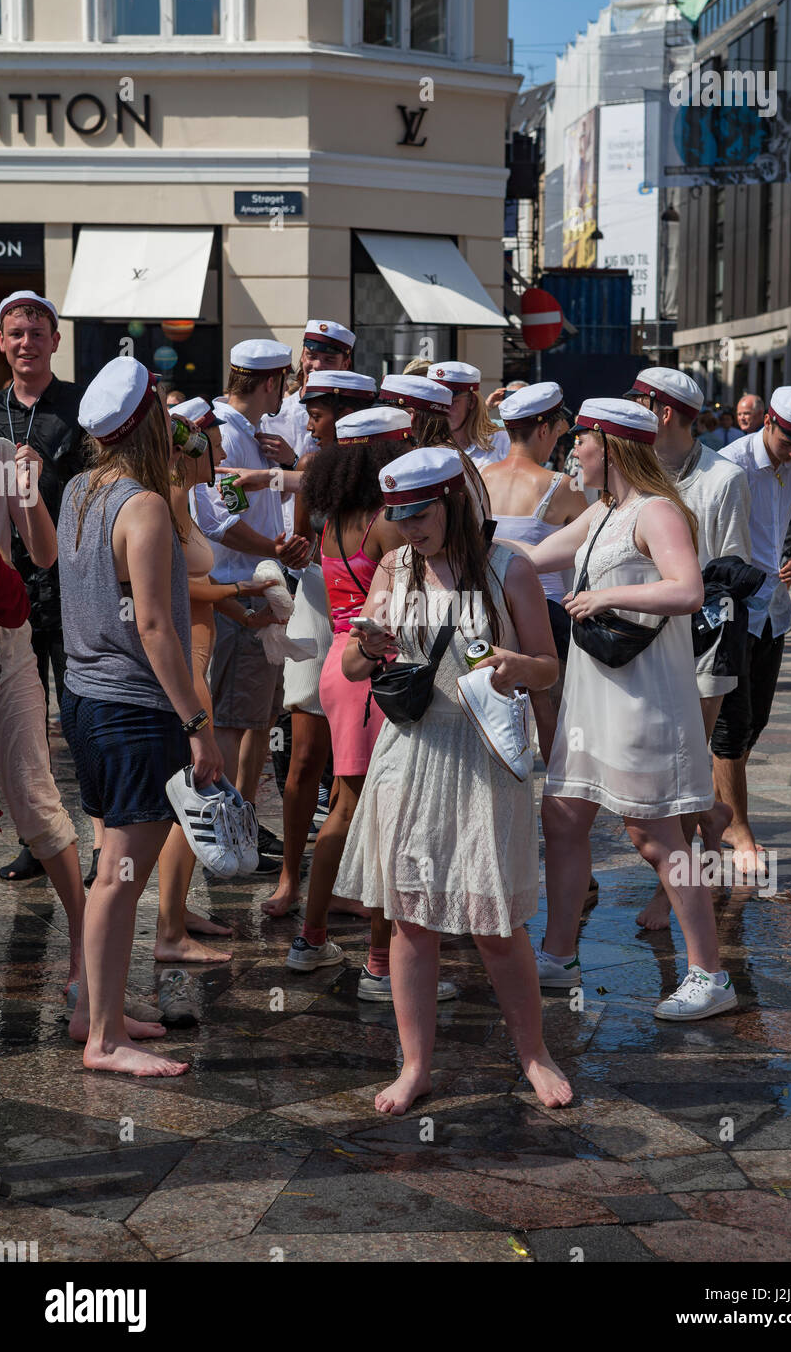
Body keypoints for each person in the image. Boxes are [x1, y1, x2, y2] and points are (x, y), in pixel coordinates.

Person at [334, 446, 571, 1113]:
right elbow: (354, 665)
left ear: (454, 501)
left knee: (495, 923)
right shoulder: (393, 567)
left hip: (484, 754)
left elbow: (550, 668)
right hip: (409, 755)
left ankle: (534, 1053)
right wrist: (368, 646)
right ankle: (415, 1067)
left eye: (420, 514)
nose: (410, 529)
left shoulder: (509, 568)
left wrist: (515, 665)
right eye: (400, 517)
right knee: (411, 919)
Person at [519, 398, 736, 1020]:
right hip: (594, 695)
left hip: (643, 697)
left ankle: (709, 974)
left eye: (579, 443)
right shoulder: (601, 513)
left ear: (610, 446)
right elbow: (529, 556)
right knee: (561, 818)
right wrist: (466, 527)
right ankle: (558, 956)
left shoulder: (657, 510)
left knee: (654, 834)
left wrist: (605, 594)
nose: (570, 455)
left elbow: (688, 589)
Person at [58, 357, 227, 1077]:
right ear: (155, 422)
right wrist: (197, 724)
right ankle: (103, 1040)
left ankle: (93, 1012)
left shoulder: (76, 490)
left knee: (111, 868)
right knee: (121, 877)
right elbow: (156, 627)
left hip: (83, 698)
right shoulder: (146, 505)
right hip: (133, 709)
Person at [285, 408, 457, 1002]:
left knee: (348, 803)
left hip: (341, 662)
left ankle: (311, 939)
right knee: (378, 815)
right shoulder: (388, 526)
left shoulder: (336, 518)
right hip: (375, 672)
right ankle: (382, 965)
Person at [155, 397, 285, 963]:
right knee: (201, 783)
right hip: (187, 661)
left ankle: (176, 912)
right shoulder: (165, 505)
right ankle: (167, 932)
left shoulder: (187, 500)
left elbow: (199, 580)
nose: (225, 448)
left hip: (200, 650)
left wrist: (246, 614)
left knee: (196, 784)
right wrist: (242, 593)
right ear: (191, 449)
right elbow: (181, 591)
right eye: (213, 438)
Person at [623, 368, 753, 929]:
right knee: (669, 770)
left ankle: (671, 890)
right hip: (649, 636)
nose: (632, 410)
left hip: (706, 637)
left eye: (638, 402)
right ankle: (714, 818)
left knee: (677, 770)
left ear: (663, 411)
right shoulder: (638, 470)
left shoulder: (723, 478)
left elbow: (732, 570)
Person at [265, 371, 381, 918]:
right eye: (309, 406)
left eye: (320, 408)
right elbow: (304, 542)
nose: (308, 416)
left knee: (355, 763)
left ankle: (342, 882)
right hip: (316, 610)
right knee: (305, 753)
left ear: (351, 412)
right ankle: (292, 876)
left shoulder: (383, 475)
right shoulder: (311, 469)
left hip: (365, 620)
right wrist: (295, 553)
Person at [192, 340, 310, 867]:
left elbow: (249, 504)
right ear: (270, 383)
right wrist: (274, 549)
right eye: (283, 382)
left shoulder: (244, 434)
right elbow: (219, 522)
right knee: (235, 724)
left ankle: (242, 823)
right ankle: (229, 830)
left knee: (257, 720)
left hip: (253, 587)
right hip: (237, 589)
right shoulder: (223, 433)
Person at [712, 387, 791, 875]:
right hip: (731, 607)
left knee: (753, 723)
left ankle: (714, 815)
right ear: (769, 425)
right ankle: (738, 827)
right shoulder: (730, 463)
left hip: (772, 611)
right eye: (790, 443)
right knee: (730, 726)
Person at [0, 291, 86, 883]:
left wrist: (43, 474)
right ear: (2, 343)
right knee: (31, 726)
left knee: (81, 715)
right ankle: (41, 838)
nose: (27, 342)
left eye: (37, 332)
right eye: (15, 333)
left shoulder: (80, 409)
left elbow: (98, 485)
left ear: (55, 341)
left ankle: (101, 831)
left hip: (73, 581)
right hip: (8, 596)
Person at [0, 432, 85, 990]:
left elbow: (46, 554)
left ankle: (85, 950)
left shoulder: (2, 455)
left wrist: (28, 490)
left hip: (4, 638)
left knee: (34, 790)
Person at [485, 382, 586, 759]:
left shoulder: (480, 476)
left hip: (492, 606)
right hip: (546, 610)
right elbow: (585, 550)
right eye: (558, 432)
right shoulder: (563, 483)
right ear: (544, 430)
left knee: (493, 698)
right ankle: (559, 792)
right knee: (550, 709)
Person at [263, 320, 357, 536]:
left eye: (329, 359)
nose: (317, 365)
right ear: (302, 356)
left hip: (333, 534)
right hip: (280, 534)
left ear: (345, 364)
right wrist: (288, 469)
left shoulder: (352, 418)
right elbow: (266, 492)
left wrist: (294, 463)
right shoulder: (274, 414)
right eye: (312, 356)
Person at [380, 373, 490, 522]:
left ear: (410, 416)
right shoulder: (446, 453)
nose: (381, 418)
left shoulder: (430, 462)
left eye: (388, 412)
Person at [426, 361, 510, 469]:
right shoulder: (422, 446)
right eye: (433, 402)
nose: (440, 409)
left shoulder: (503, 443)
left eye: (449, 402)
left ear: (472, 401)